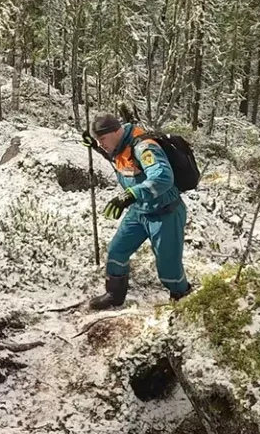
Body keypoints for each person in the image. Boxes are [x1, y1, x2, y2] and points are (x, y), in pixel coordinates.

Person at [81, 114, 191, 309]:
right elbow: (118, 158)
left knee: (169, 267)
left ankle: (182, 298)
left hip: (166, 213)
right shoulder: (118, 145)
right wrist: (97, 148)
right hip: (139, 211)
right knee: (117, 250)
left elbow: (163, 177)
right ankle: (114, 295)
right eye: (99, 140)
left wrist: (130, 194)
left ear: (116, 131)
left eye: (102, 139)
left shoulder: (144, 147)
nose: (102, 143)